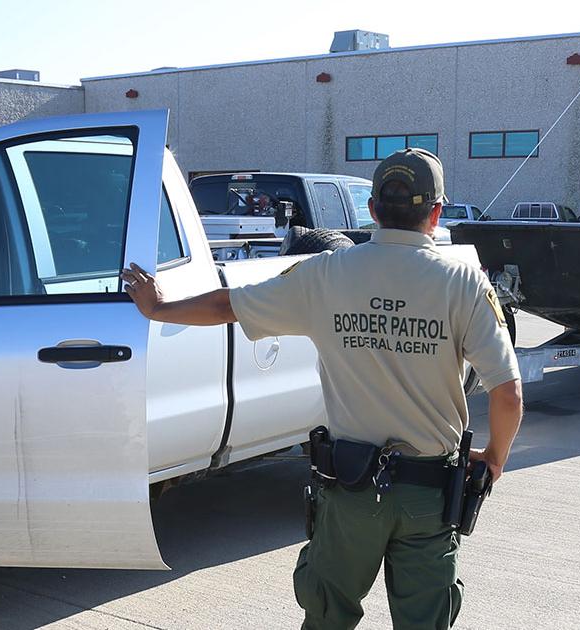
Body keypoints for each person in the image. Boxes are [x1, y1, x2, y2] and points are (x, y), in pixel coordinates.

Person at [121, 148, 523, 629]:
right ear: (436, 213)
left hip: (350, 491)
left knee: (328, 617)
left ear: (372, 210)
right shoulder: (464, 284)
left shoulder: (325, 273)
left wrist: (159, 308)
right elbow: (507, 394)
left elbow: (227, 305)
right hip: (429, 496)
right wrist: (494, 458)